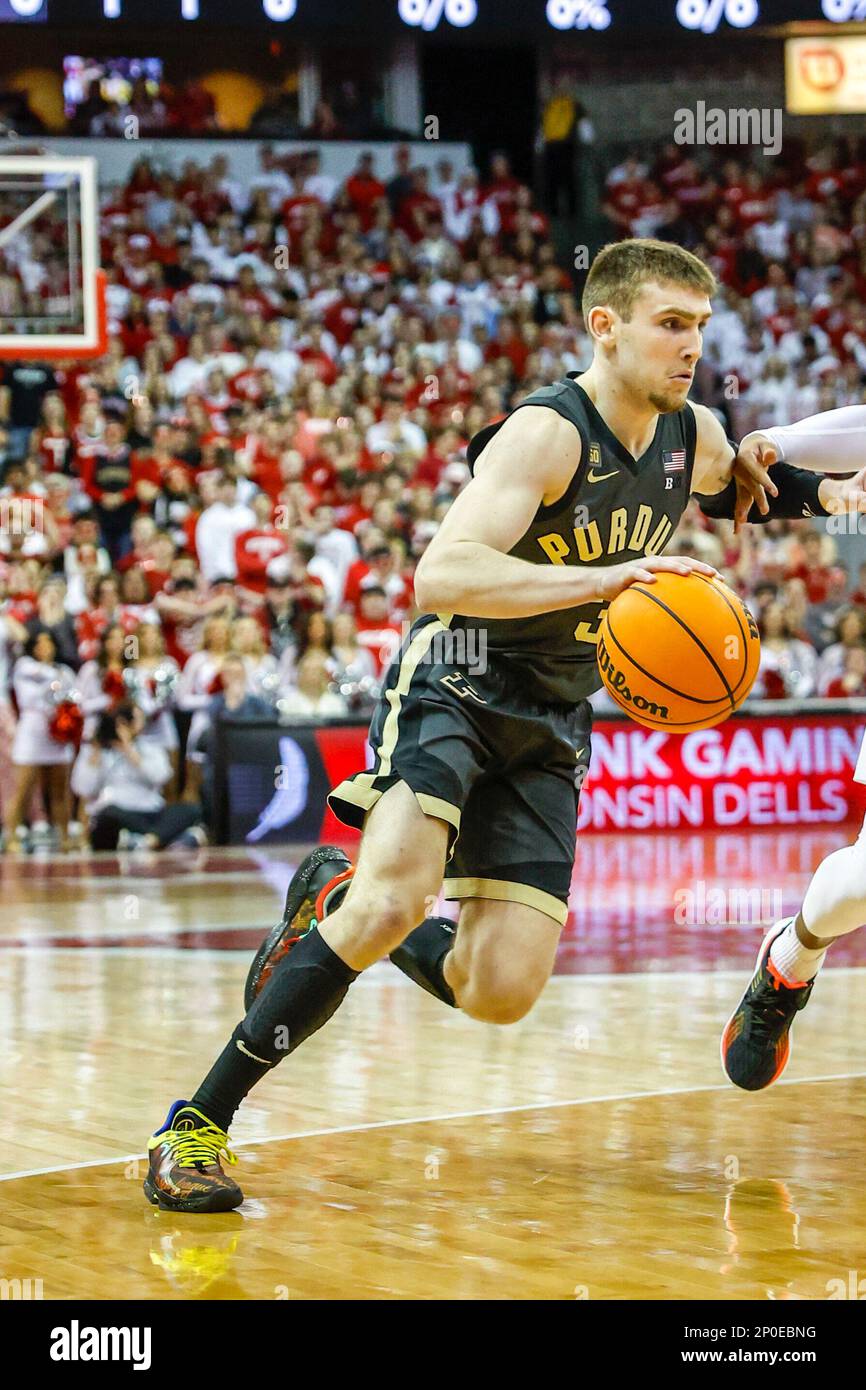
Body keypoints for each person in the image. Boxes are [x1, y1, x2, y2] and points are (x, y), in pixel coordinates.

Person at [144, 237, 864, 1211]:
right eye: (668, 325)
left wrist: (822, 492)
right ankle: (193, 1126)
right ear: (602, 327)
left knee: (500, 990)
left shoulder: (690, 434)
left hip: (554, 708)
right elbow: (439, 573)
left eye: (697, 327)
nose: (689, 345)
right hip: (459, 676)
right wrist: (606, 579)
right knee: (395, 896)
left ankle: (326, 889)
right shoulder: (545, 433)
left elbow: (739, 485)